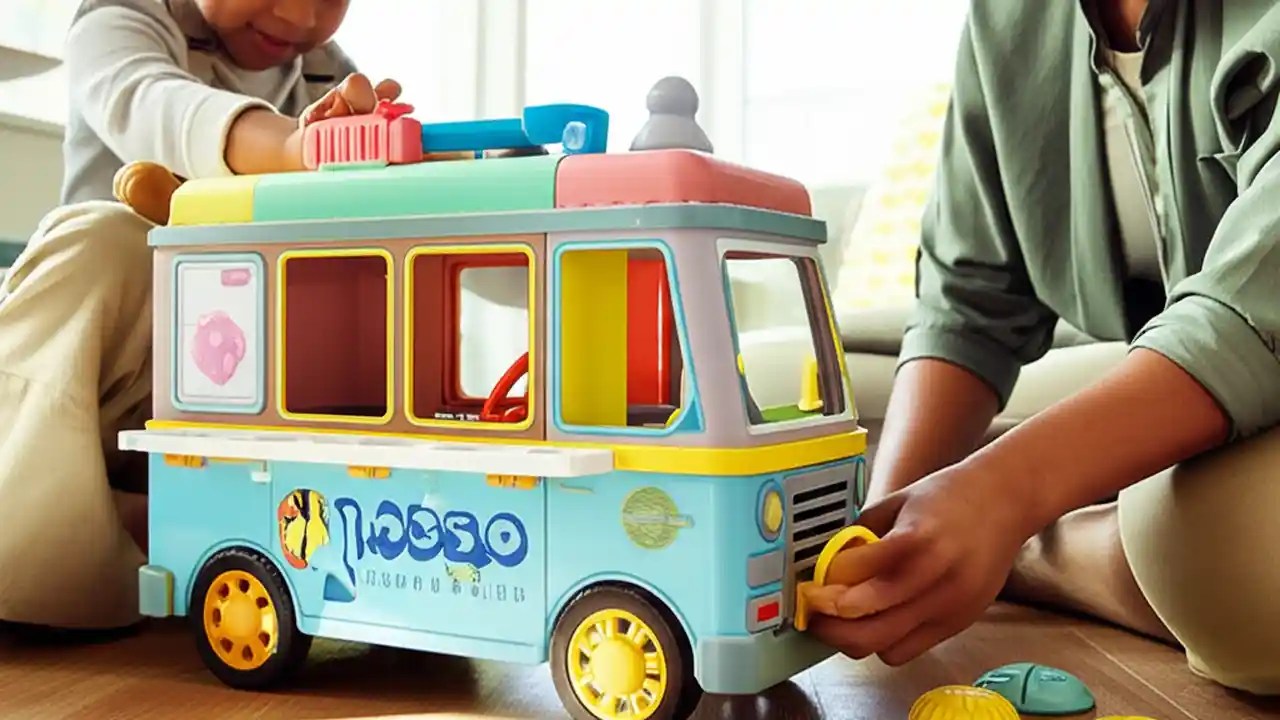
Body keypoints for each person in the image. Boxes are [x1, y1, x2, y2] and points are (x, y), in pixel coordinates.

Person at [804, 0, 1280, 696]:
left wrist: (1007, 498)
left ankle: (1038, 551)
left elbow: (1256, 304)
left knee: (1251, 556)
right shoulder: (1009, 20)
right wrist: (892, 546)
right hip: (1176, 378)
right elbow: (970, 300)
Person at [0, 0, 399, 631]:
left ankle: (170, 522)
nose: (298, 16)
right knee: (103, 240)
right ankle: (49, 540)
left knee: (362, 279)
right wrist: (295, 147)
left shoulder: (325, 74)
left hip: (223, 394)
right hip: (101, 385)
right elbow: (157, 104)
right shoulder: (121, 19)